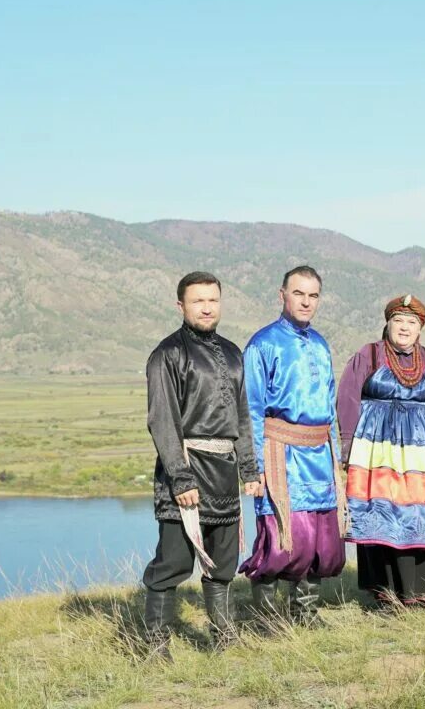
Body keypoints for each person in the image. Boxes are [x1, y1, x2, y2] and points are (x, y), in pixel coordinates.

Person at [142, 271, 261, 659]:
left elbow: (242, 416)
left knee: (223, 563)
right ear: (181, 306)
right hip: (187, 472)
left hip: (224, 472)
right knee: (173, 562)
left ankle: (223, 640)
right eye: (198, 301)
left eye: (213, 300)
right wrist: (180, 477)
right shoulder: (167, 354)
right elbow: (162, 421)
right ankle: (156, 646)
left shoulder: (233, 352)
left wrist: (249, 469)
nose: (207, 307)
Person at [240, 266, 346, 627]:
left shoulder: (320, 343)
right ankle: (268, 619)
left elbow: (330, 405)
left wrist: (336, 455)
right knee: (281, 536)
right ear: (281, 295)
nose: (306, 301)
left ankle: (305, 614)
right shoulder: (263, 343)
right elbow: (251, 408)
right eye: (298, 293)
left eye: (313, 295)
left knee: (319, 540)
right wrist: (253, 466)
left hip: (319, 453)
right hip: (280, 454)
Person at [338, 295, 425, 608]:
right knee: (382, 513)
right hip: (378, 453)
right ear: (388, 323)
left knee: (420, 514)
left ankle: (419, 592)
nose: (405, 327)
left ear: (420, 329)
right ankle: (385, 594)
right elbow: (348, 398)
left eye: (412, 322)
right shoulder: (369, 355)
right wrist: (348, 449)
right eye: (399, 321)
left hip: (423, 454)